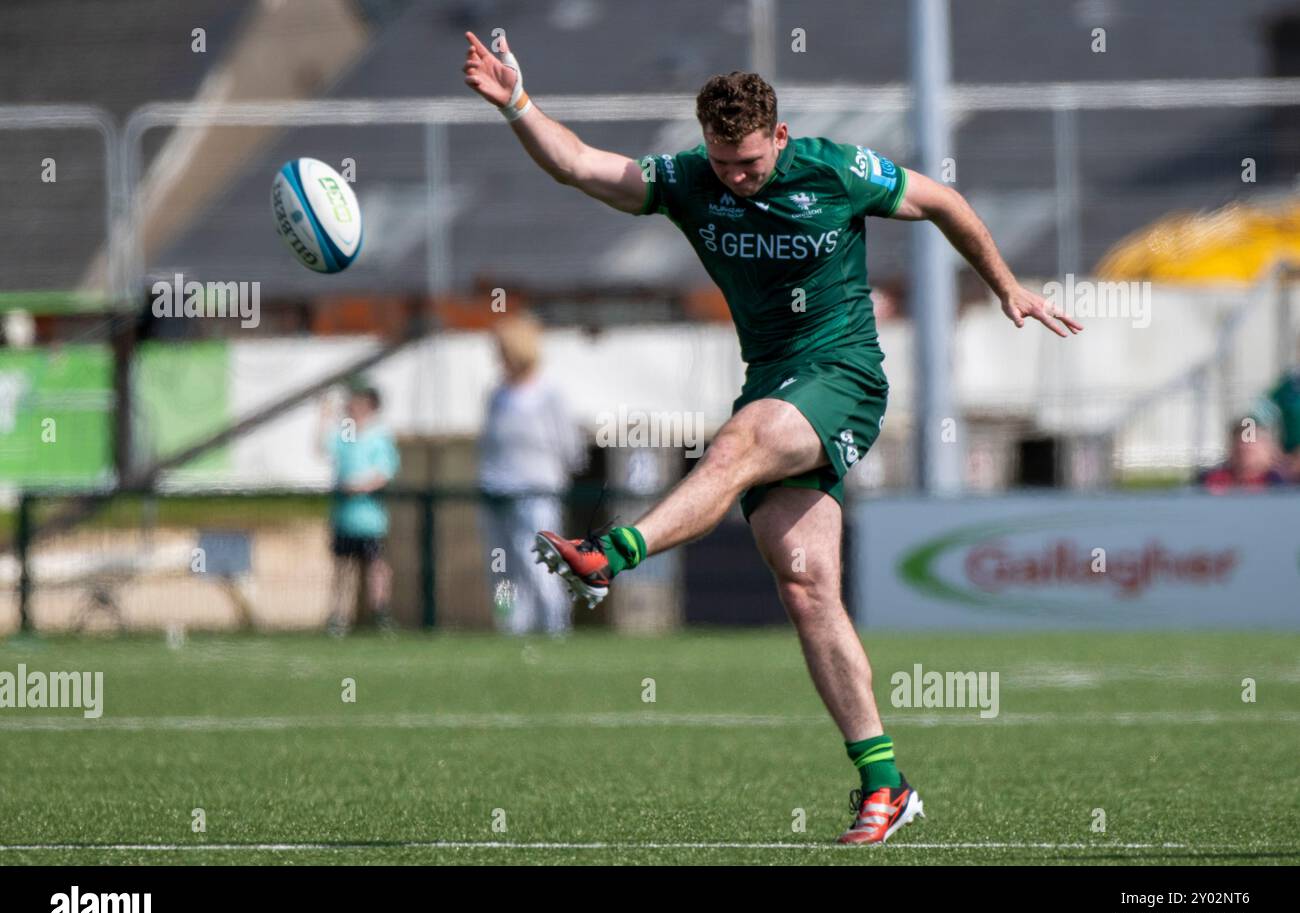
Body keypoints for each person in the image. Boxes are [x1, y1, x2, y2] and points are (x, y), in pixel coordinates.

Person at [462, 34, 1082, 844]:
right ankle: (886, 785)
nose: (739, 177)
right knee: (806, 584)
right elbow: (579, 164)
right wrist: (517, 104)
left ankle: (609, 554)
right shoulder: (689, 180)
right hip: (774, 379)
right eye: (725, 163)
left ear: (779, 138)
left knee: (733, 447)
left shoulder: (836, 170)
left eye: (751, 163)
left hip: (844, 375)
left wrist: (1007, 287)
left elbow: (943, 203)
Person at [478, 314, 587, 636]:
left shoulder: (550, 395)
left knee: (538, 561)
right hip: (496, 490)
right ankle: (512, 628)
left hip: (536, 491)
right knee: (502, 565)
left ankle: (555, 625)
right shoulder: (496, 395)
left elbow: (570, 447)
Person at [317, 380, 400, 635]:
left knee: (376, 566)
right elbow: (322, 446)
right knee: (343, 568)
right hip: (344, 517)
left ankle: (380, 614)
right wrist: (324, 416)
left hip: (370, 519)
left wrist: (360, 486)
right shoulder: (345, 432)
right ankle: (338, 617)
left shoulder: (380, 435)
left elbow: (384, 471)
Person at [1197, 419, 1287, 492]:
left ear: (1270, 448)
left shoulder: (1284, 485)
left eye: (1254, 443)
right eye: (1240, 443)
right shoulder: (1213, 481)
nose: (1245, 447)